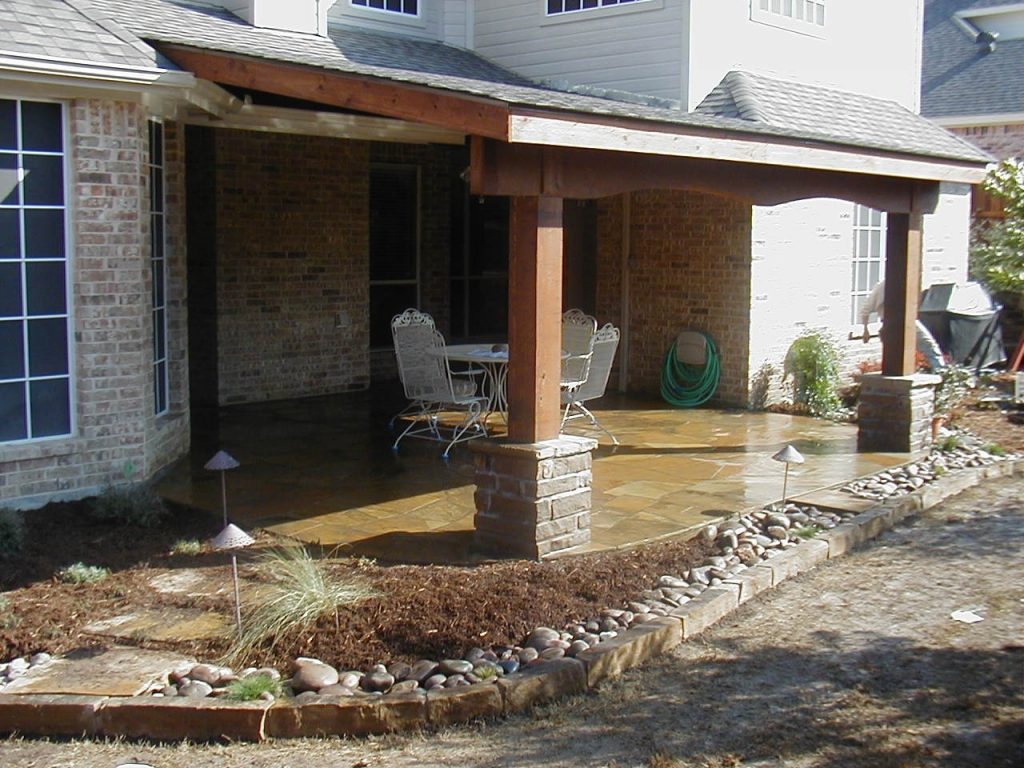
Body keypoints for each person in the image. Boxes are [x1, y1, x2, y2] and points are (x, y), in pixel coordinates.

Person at [860, 280, 946, 371]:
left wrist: (866, 330)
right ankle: (941, 372)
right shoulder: (885, 286)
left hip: (899, 323)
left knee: (927, 348)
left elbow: (865, 310)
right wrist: (865, 330)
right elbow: (866, 309)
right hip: (896, 324)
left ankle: (940, 372)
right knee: (927, 348)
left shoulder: (900, 282)